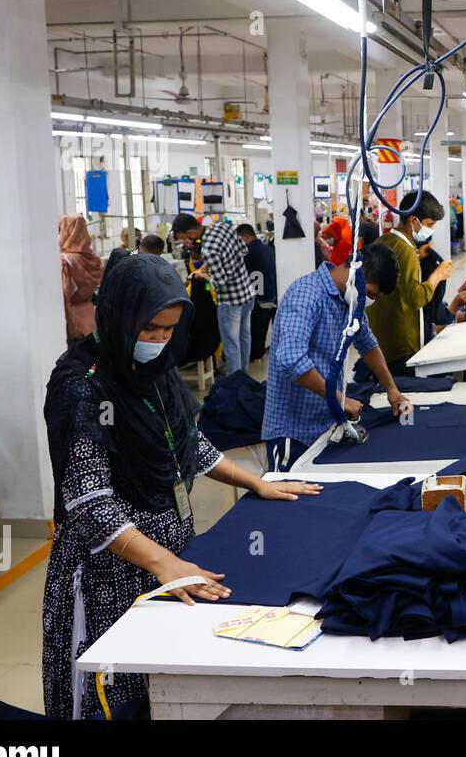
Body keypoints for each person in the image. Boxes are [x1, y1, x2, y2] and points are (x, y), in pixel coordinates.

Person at [42, 254, 322, 719]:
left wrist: (257, 481)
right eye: (150, 328)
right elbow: (89, 502)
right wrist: (163, 562)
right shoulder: (82, 385)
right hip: (107, 573)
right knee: (113, 697)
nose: (159, 340)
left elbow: (186, 443)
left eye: (169, 328)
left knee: (165, 690)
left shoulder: (154, 371)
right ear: (120, 315)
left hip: (165, 560)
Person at [263, 243, 408, 470]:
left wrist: (391, 389)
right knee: (290, 499)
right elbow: (290, 359)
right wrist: (340, 399)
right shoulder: (306, 295)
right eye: (370, 293)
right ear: (355, 271)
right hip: (294, 433)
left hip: (326, 426)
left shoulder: (349, 301)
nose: (369, 300)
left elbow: (367, 343)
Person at [365, 191, 454, 373]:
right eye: (429, 224)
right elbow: (415, 298)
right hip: (401, 345)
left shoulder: (384, 241)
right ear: (414, 221)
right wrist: (438, 275)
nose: (431, 230)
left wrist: (415, 255)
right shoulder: (406, 251)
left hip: (381, 339)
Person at [171, 213, 257, 375]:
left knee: (231, 345)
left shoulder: (208, 249)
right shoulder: (222, 226)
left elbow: (221, 281)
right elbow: (243, 250)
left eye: (184, 239)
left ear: (191, 233)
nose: (185, 242)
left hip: (230, 300)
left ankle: (234, 385)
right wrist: (222, 264)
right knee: (244, 337)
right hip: (247, 292)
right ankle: (243, 376)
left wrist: (204, 276)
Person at [236, 223, 277, 364]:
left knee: (255, 331)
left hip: (259, 296)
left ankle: (254, 357)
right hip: (271, 294)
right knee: (261, 331)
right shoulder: (267, 249)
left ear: (246, 236)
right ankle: (259, 355)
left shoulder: (249, 252)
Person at [58, 215, 103, 343]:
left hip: (73, 322)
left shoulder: (65, 262)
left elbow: (65, 297)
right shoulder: (92, 259)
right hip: (90, 318)